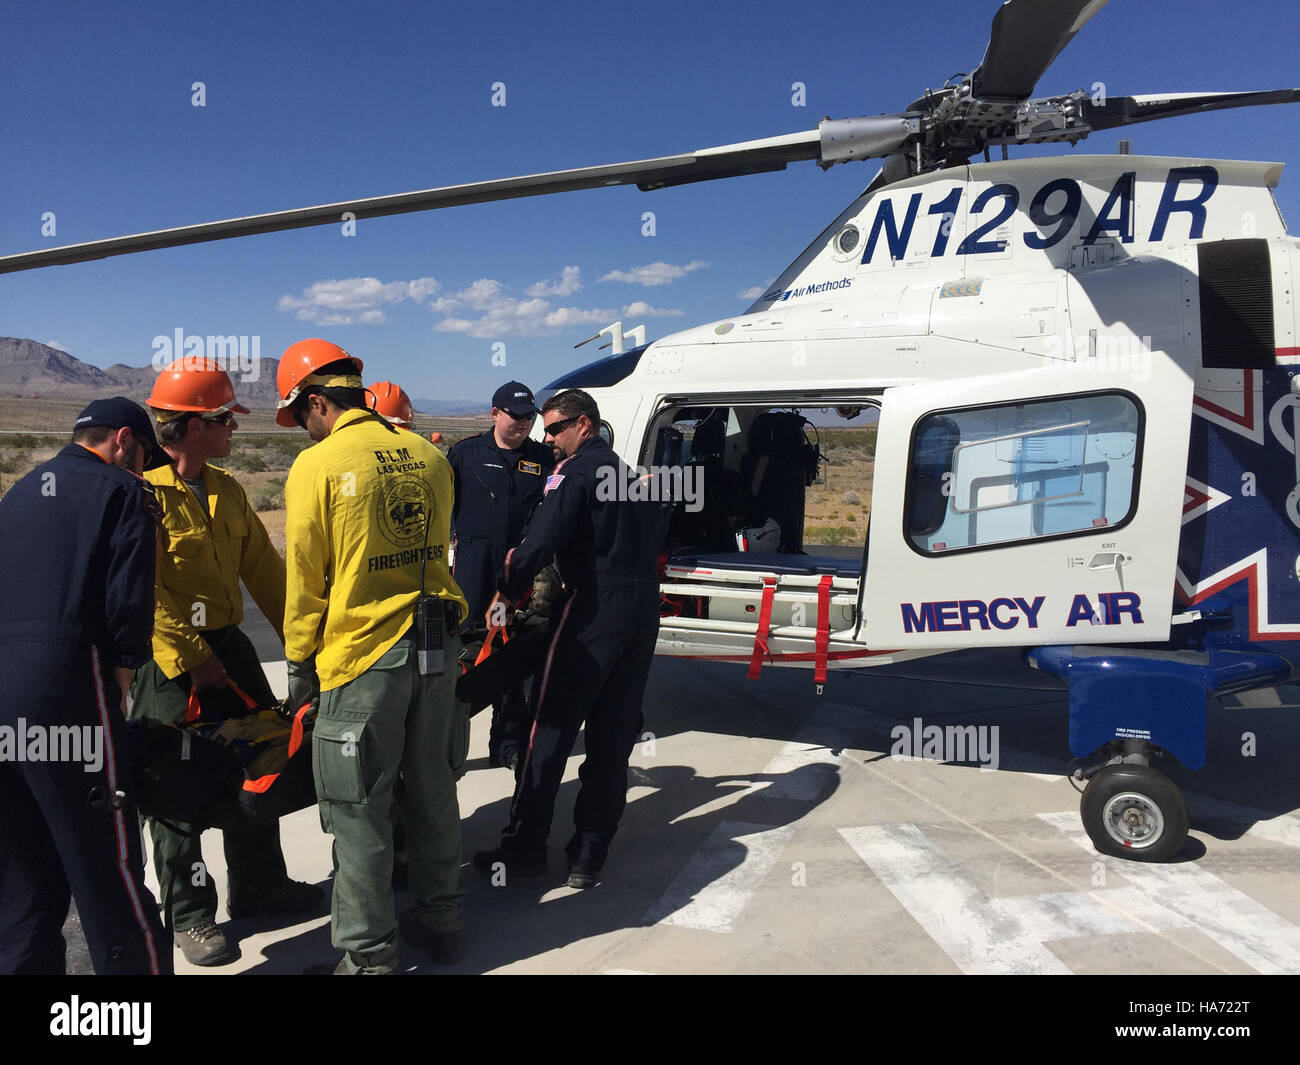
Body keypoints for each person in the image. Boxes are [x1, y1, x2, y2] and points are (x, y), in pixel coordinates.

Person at [277, 338, 470, 974]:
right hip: (436, 646)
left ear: (315, 404)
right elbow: (439, 546)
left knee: (359, 810)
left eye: (300, 416)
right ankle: (444, 919)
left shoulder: (318, 466)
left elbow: (306, 580)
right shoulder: (428, 456)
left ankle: (367, 958)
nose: (303, 430)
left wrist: (301, 665)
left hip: (364, 657)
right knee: (434, 789)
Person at [130, 358, 321, 967]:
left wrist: (305, 636)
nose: (233, 428)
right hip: (168, 663)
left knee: (260, 761)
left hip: (231, 645)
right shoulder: (141, 494)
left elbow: (264, 571)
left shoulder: (227, 488)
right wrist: (191, 659)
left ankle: (260, 887)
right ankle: (188, 916)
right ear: (189, 425)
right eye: (222, 419)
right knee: (175, 785)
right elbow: (142, 589)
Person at [0, 398, 172, 974]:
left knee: (21, 871)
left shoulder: (21, 491)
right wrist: (119, 685)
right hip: (67, 684)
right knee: (109, 866)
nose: (141, 471)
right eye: (143, 457)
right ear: (124, 439)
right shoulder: (123, 493)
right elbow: (128, 605)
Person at [473, 388, 661, 889]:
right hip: (642, 612)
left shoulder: (574, 472)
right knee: (613, 733)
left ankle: (524, 846)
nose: (547, 438)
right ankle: (590, 850)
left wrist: (507, 589)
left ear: (583, 424)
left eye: (554, 428)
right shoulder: (630, 475)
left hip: (593, 607)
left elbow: (538, 543)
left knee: (549, 727)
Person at [447, 382, 554, 767]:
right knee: (462, 656)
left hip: (520, 569)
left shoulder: (543, 458)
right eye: (516, 415)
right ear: (495, 414)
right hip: (473, 568)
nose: (523, 423)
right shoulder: (465, 453)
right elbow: (444, 509)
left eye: (529, 417)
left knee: (511, 657)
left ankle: (507, 744)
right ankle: (447, 746)